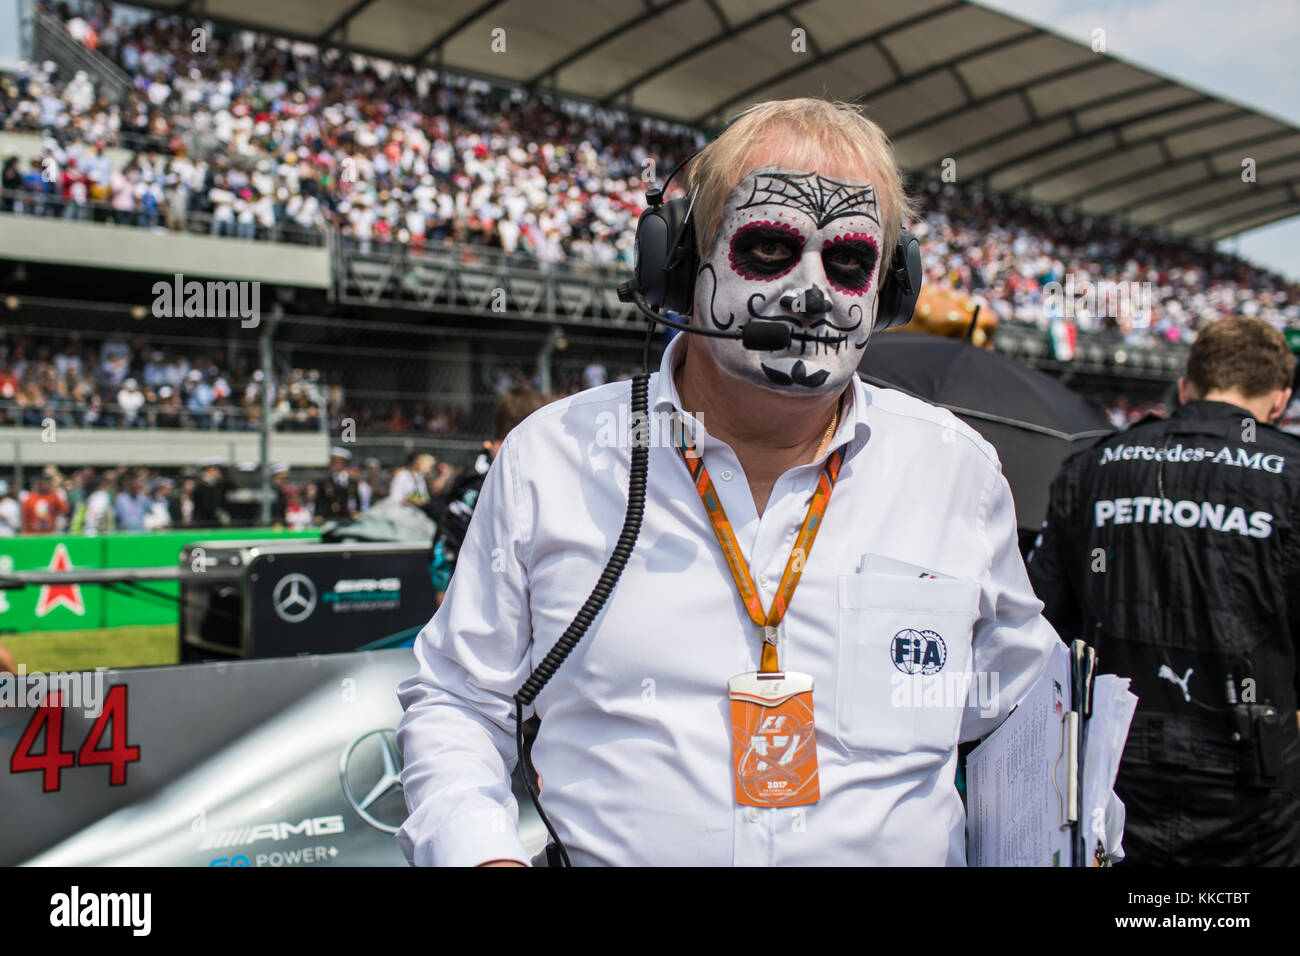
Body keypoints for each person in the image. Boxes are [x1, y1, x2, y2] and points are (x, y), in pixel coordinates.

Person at [395, 99, 1065, 867]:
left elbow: (1021, 714)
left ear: (891, 285)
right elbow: (458, 699)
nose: (812, 293)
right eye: (770, 248)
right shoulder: (552, 458)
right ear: (678, 264)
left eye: (848, 261)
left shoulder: (958, 471)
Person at [1027, 315, 1300, 866]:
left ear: (1185, 387)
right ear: (1280, 401)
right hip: (1254, 778)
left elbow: (1041, 622)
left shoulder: (1096, 464)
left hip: (1115, 765)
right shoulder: (1291, 474)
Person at [425, 385, 551, 608]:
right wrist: (444, 592)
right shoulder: (482, 476)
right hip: (481, 599)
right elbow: (447, 538)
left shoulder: (526, 466)